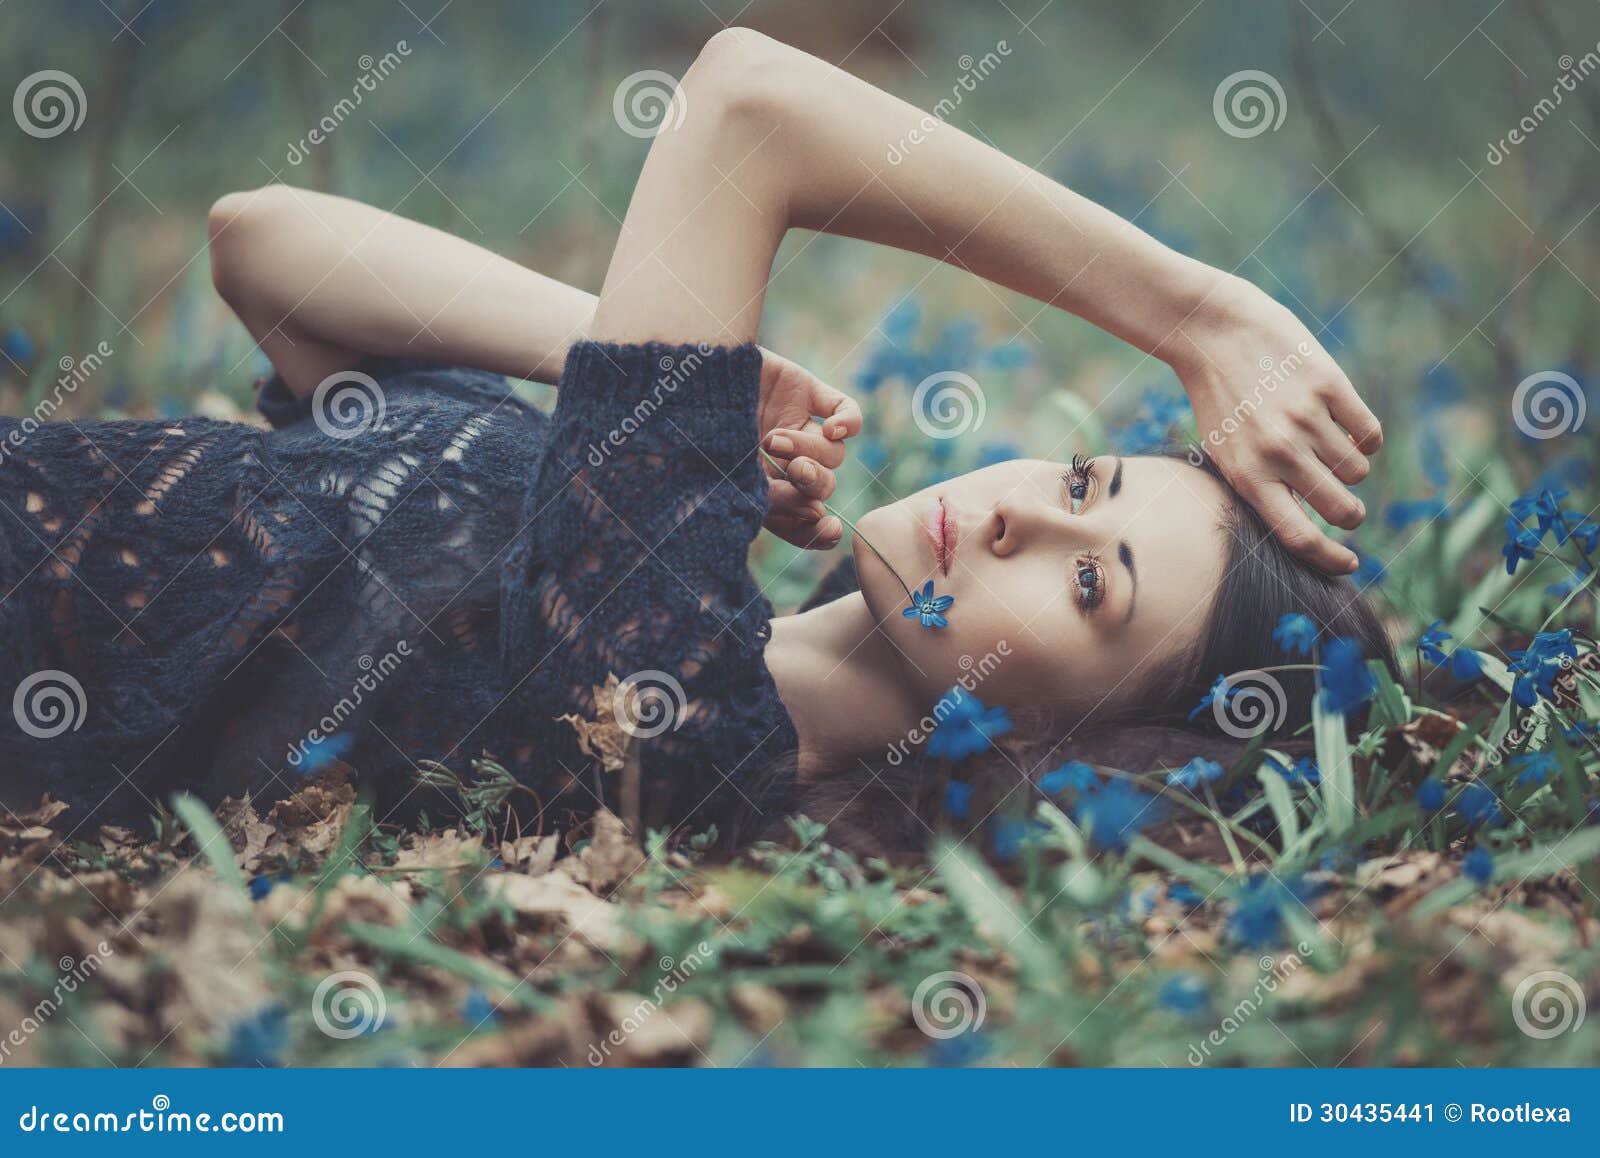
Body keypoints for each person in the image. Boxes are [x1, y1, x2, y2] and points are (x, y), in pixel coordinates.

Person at [0, 29, 1389, 851]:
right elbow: (266, 247)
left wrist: (1198, 314)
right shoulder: (650, 546)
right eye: (1087, 482)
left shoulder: (677, 709)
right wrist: (628, 369)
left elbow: (746, 98)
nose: (1033, 514)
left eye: (1092, 585)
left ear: (1051, 748)